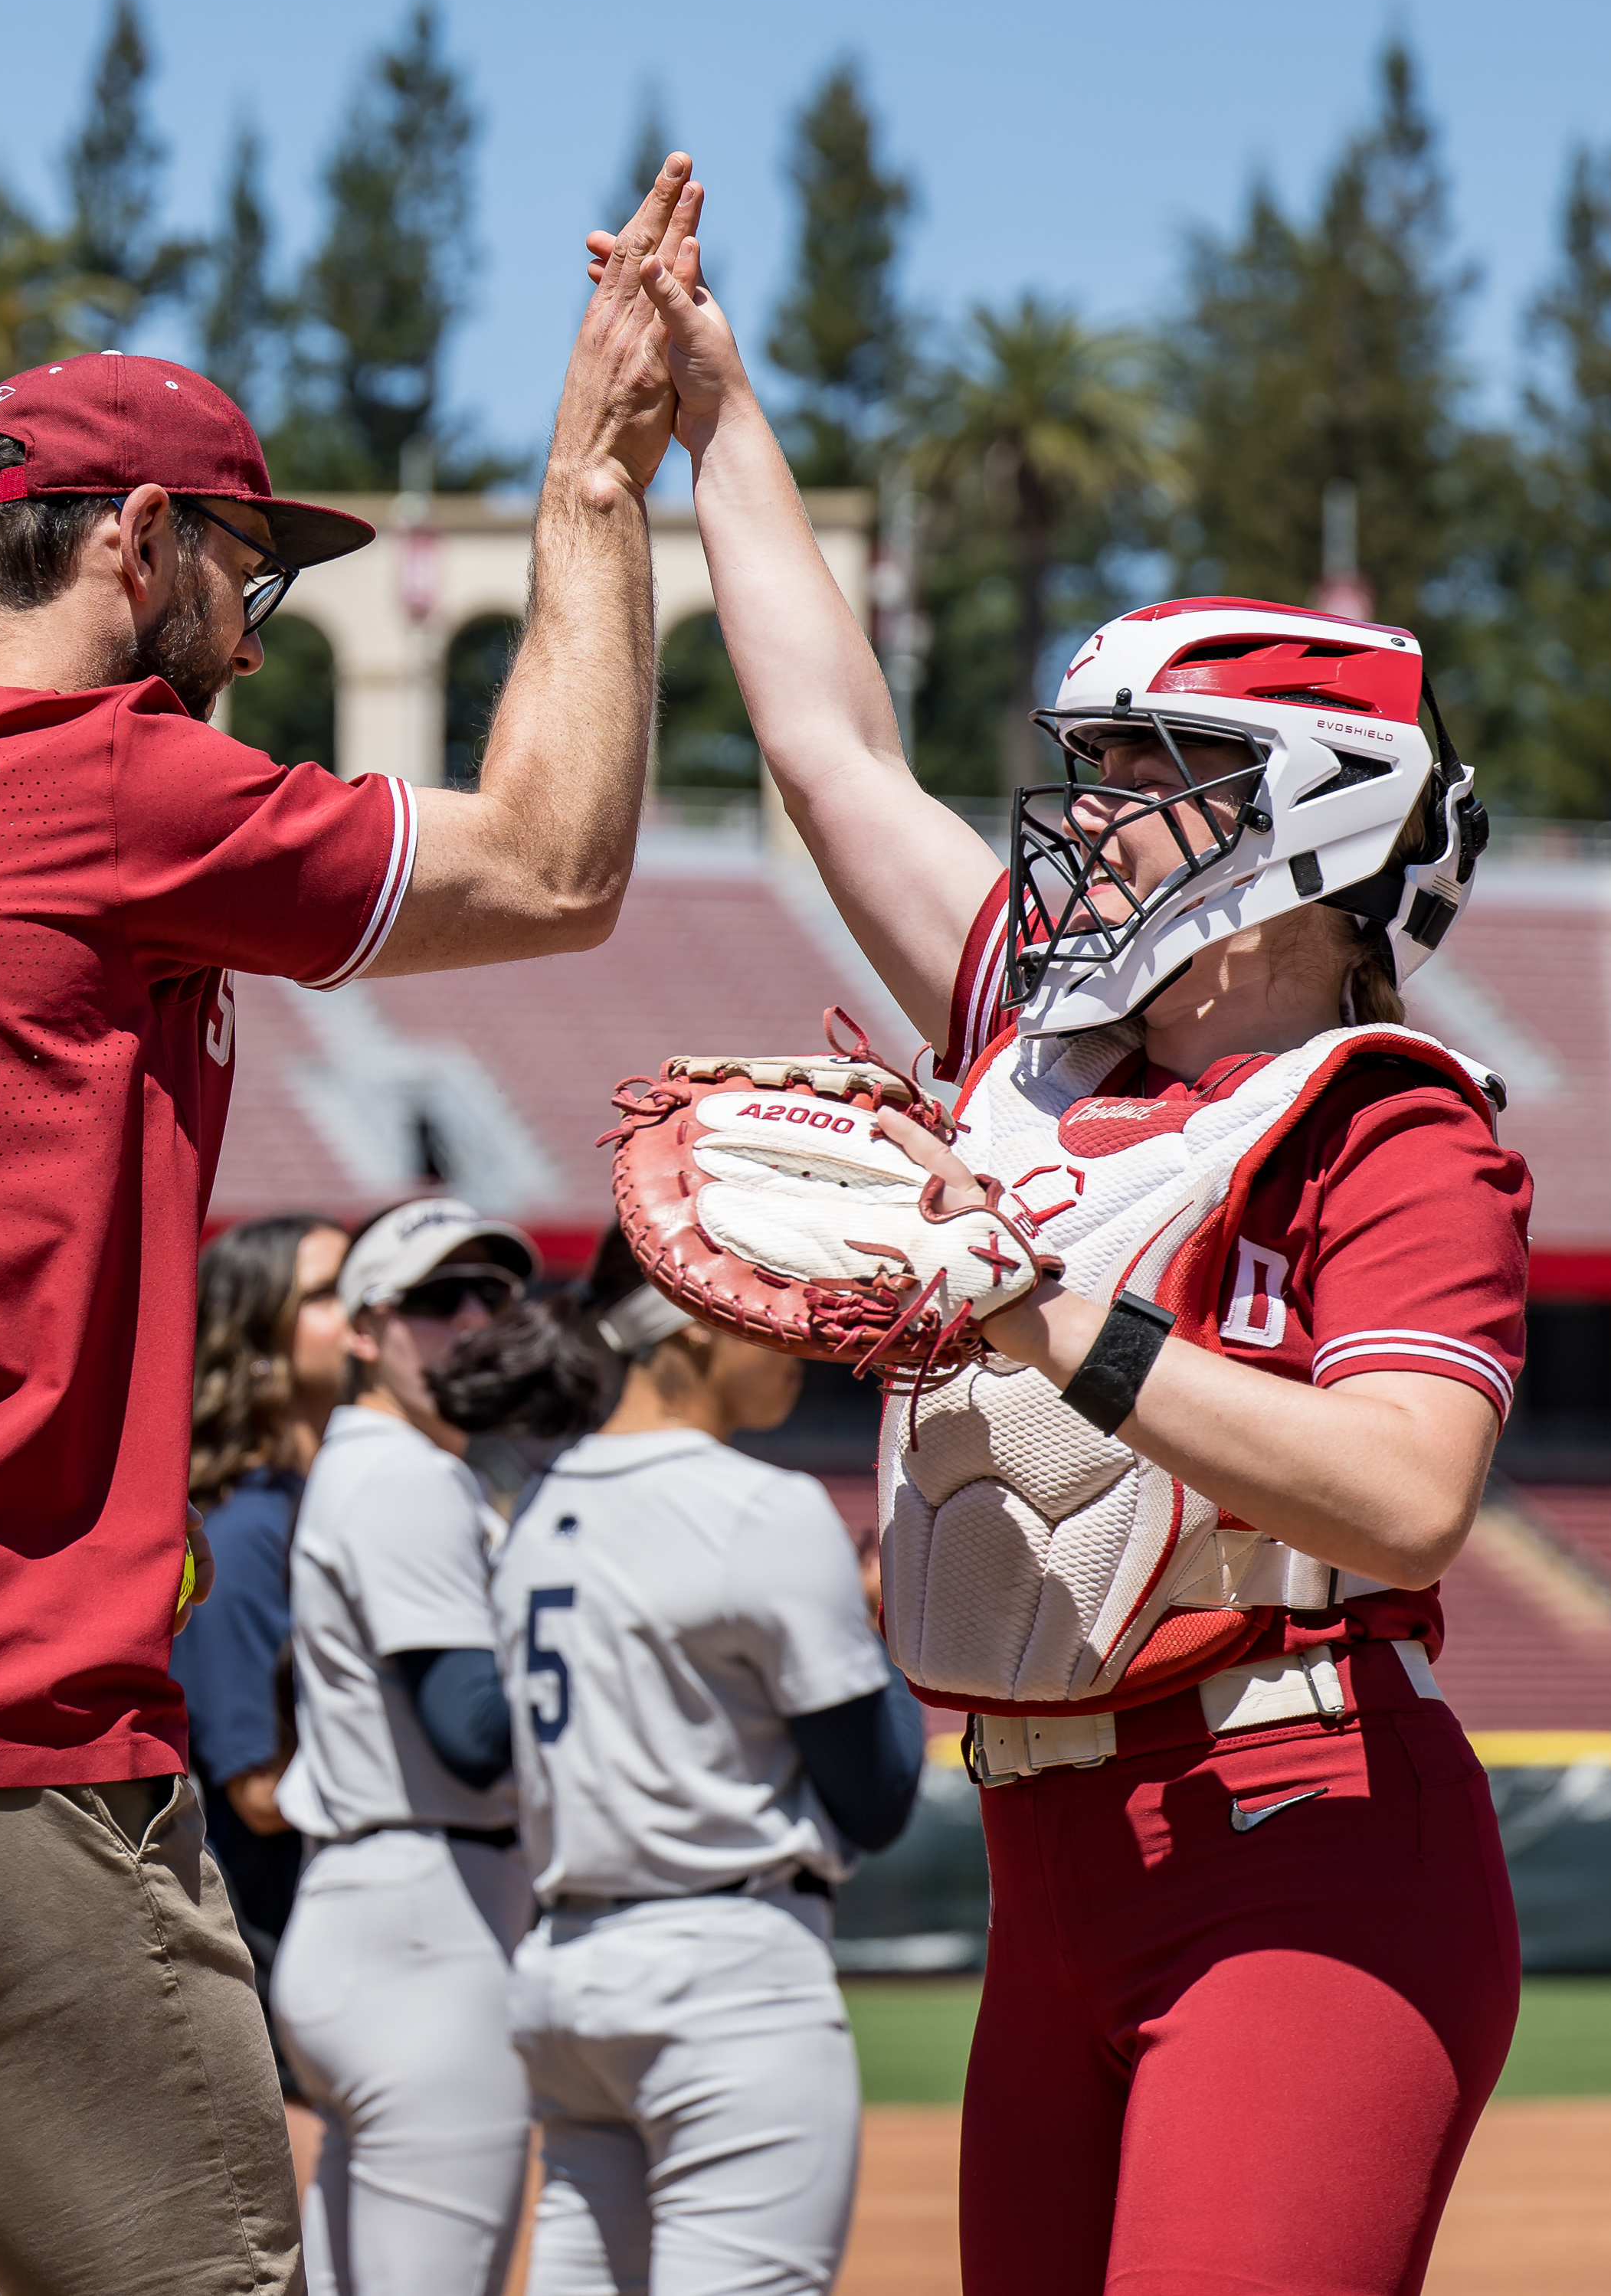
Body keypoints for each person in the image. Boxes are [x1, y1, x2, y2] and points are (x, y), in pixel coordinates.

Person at [0, 156, 705, 2296]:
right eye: (247, 578)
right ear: (137, 544)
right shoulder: (99, 774)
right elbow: (556, 865)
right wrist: (598, 480)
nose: (251, 640)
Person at [631, 238, 1529, 2295]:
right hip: (1048, 1868)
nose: (1087, 818)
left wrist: (1044, 1315)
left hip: (1303, 1845)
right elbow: (832, 755)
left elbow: (1407, 1493)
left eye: (1148, 778)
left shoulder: (1392, 1120)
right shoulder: (1032, 1042)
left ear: (1305, 829)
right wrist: (720, 414)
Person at [433, 1231, 925, 2296]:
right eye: (771, 1302)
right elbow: (879, 1795)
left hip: (565, 1969)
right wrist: (876, 1623)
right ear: (693, 1322)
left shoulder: (539, 1504)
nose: (798, 1332)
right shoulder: (759, 1504)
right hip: (724, 1971)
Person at [270, 1195, 543, 2296]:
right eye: (436, 1299)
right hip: (429, 1924)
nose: (472, 1319)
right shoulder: (405, 1473)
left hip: (381, 1909)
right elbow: (472, 1731)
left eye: (494, 1294)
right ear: (363, 1332)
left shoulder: (388, 1464)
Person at [172, 1213, 352, 1961]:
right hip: (281, 1940)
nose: (363, 1306)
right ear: (255, 1344)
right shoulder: (247, 1530)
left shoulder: (332, 1497)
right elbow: (260, 1791)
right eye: (327, 1293)